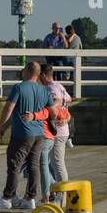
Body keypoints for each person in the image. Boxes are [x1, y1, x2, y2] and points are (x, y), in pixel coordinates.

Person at [0, 61, 53, 212]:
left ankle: (7, 198)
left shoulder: (19, 87)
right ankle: (29, 199)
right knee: (33, 167)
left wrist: (0, 127)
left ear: (27, 71)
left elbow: (8, 108)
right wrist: (36, 115)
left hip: (22, 134)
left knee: (14, 166)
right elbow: (53, 113)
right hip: (39, 134)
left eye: (23, 70)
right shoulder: (44, 91)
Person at [40, 63, 73, 199]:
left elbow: (57, 101)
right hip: (62, 129)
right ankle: (56, 192)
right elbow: (68, 100)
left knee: (57, 163)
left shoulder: (51, 87)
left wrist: (45, 108)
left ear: (43, 75)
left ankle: (63, 196)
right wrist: (66, 116)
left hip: (57, 130)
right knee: (53, 163)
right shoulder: (59, 85)